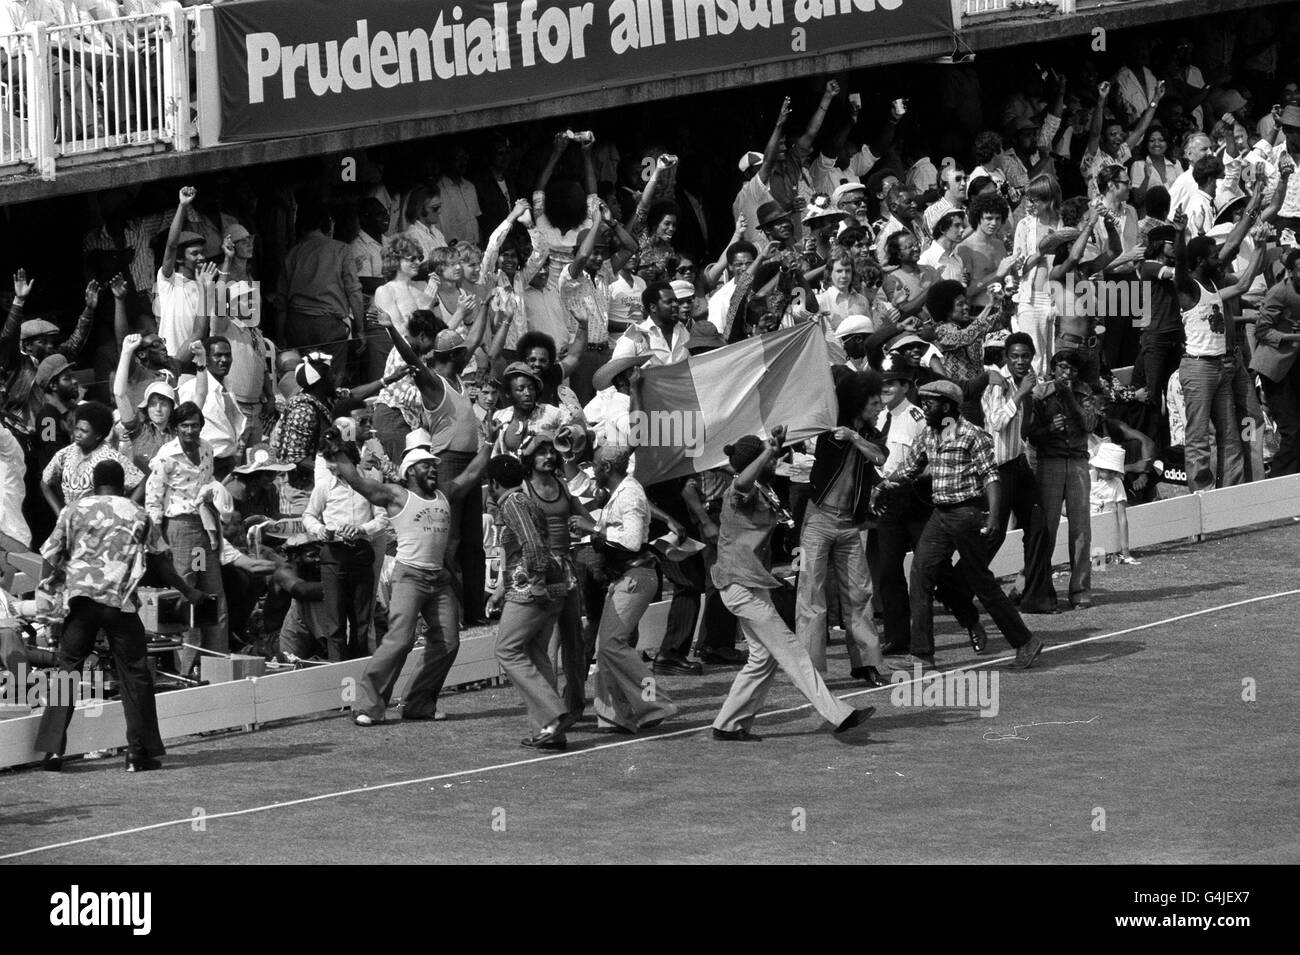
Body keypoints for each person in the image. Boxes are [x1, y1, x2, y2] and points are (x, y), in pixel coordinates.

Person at [36, 460, 209, 773]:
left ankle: (52, 752)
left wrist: (46, 590)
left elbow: (50, 554)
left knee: (67, 671)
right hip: (120, 605)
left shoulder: (73, 510)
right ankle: (137, 754)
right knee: (135, 675)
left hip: (81, 603)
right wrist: (189, 591)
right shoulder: (137, 513)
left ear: (93, 482)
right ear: (123, 485)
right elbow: (161, 563)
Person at [322, 417, 492, 726]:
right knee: (399, 640)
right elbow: (358, 482)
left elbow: (471, 473)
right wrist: (338, 451)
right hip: (409, 576)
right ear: (410, 470)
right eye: (426, 465)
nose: (433, 469)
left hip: (438, 579)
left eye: (434, 465)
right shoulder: (397, 495)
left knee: (448, 642)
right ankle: (370, 706)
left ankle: (419, 704)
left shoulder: (445, 493)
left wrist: (490, 443)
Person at [710, 428, 874, 742]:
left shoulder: (761, 488)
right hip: (740, 585)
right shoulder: (739, 490)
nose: (777, 459)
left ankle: (728, 725)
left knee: (763, 658)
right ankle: (837, 715)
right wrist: (768, 452)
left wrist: (771, 451)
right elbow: (741, 482)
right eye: (768, 457)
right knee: (792, 651)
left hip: (749, 584)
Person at [881, 380, 1044, 667]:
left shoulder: (973, 435)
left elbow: (991, 476)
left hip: (967, 513)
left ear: (946, 406)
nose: (925, 408)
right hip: (940, 514)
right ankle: (922, 654)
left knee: (981, 582)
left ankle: (1026, 641)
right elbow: (908, 470)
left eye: (930, 403)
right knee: (920, 577)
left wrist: (994, 517)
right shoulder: (930, 435)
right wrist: (883, 486)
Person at [568, 445, 679, 734]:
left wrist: (593, 529)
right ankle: (612, 716)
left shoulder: (629, 494)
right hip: (625, 577)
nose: (592, 471)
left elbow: (630, 541)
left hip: (635, 577)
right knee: (605, 649)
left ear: (606, 469)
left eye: (595, 466)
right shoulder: (623, 490)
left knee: (611, 645)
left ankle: (655, 703)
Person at [796, 371, 889, 686]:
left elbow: (878, 457)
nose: (880, 407)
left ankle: (866, 663)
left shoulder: (868, 435)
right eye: (874, 402)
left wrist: (853, 436)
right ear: (858, 402)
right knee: (811, 596)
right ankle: (810, 671)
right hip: (818, 521)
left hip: (849, 523)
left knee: (860, 594)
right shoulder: (828, 430)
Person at [488, 453, 577, 750]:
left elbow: (533, 544)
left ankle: (553, 712)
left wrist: (535, 584)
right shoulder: (526, 500)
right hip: (551, 585)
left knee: (507, 650)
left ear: (493, 483)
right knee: (536, 653)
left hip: (530, 588)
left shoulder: (512, 503)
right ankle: (550, 730)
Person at [146, 400, 229, 676]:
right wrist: (159, 540)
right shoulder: (166, 456)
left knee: (213, 595)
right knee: (186, 597)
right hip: (179, 528)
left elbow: (208, 483)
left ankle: (218, 665)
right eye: (184, 425)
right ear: (176, 427)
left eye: (194, 425)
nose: (190, 431)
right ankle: (183, 671)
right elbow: (153, 499)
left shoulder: (206, 448)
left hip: (204, 526)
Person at [302, 421, 389, 661]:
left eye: (335, 461)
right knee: (335, 624)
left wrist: (361, 529)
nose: (331, 467)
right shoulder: (324, 486)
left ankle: (361, 673)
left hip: (361, 554)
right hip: (333, 556)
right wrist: (321, 531)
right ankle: (338, 682)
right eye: (328, 461)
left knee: (362, 621)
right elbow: (308, 516)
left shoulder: (369, 484)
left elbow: (382, 520)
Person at [980, 333, 1053, 612]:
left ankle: (1036, 598)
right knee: (994, 533)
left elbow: (1024, 425)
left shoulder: (1025, 382)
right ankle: (958, 584)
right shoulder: (997, 383)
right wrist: (1022, 393)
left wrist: (1028, 393)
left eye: (1025, 356)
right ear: (1006, 358)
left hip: (1017, 462)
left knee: (1037, 528)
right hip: (997, 469)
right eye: (1015, 356)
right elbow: (997, 422)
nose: (1021, 361)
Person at [1023, 350, 1097, 611]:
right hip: (1050, 462)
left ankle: (1080, 591)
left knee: (1081, 531)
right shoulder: (1040, 394)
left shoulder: (1084, 391)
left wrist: (1070, 400)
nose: (1068, 374)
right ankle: (1037, 587)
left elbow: (1089, 424)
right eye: (1063, 368)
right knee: (1047, 530)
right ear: (1053, 369)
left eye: (1073, 370)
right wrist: (1050, 429)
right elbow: (1031, 435)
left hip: (1078, 461)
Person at [276, 202, 366, 373]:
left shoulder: (293, 253)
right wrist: (360, 331)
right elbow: (354, 293)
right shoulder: (342, 250)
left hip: (297, 326)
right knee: (331, 379)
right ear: (328, 223)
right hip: (329, 327)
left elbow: (281, 303)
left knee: (303, 376)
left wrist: (281, 338)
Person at [42, 401, 145, 517]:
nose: (78, 434)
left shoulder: (111, 457)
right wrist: (60, 514)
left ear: (98, 435)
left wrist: (122, 511)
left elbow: (141, 484)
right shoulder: (65, 454)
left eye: (84, 431)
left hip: (99, 524)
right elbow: (45, 482)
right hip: (71, 525)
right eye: (77, 429)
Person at [1252, 249, 1300, 476]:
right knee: (1292, 428)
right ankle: (1278, 478)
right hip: (1274, 368)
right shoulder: (1279, 293)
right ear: (1290, 272)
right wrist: (1291, 337)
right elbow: (1262, 331)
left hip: (1294, 366)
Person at [178, 337, 246, 478]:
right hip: (207, 463)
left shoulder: (229, 386)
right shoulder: (191, 389)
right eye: (218, 355)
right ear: (206, 359)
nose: (224, 360)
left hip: (230, 461)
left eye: (227, 355)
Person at [114, 335, 176, 473]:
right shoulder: (138, 430)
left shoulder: (181, 431)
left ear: (172, 407)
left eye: (163, 404)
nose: (158, 409)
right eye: (153, 404)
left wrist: (201, 363)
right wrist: (126, 351)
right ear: (146, 407)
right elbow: (119, 394)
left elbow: (200, 395)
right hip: (143, 491)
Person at [1089, 441, 1140, 565]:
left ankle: (1108, 557)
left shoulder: (1117, 483)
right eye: (1110, 471)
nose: (1114, 474)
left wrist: (1126, 550)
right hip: (1089, 530)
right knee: (1097, 564)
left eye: (1115, 471)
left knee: (1099, 564)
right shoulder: (1086, 478)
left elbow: (1122, 518)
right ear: (1099, 467)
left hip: (1107, 531)